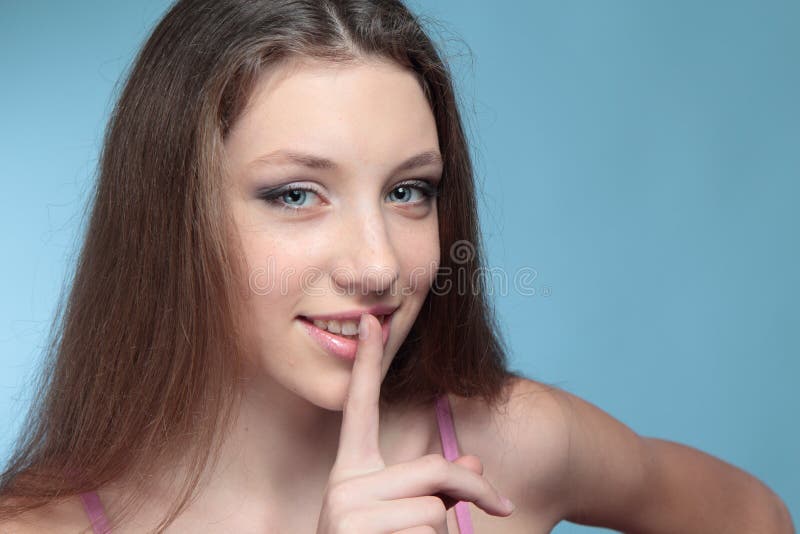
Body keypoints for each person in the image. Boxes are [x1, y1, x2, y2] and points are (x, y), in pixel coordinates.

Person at [0, 0, 793, 532]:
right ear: (172, 218)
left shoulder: (510, 449)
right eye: (297, 195)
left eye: (409, 190)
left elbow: (758, 517)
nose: (379, 264)